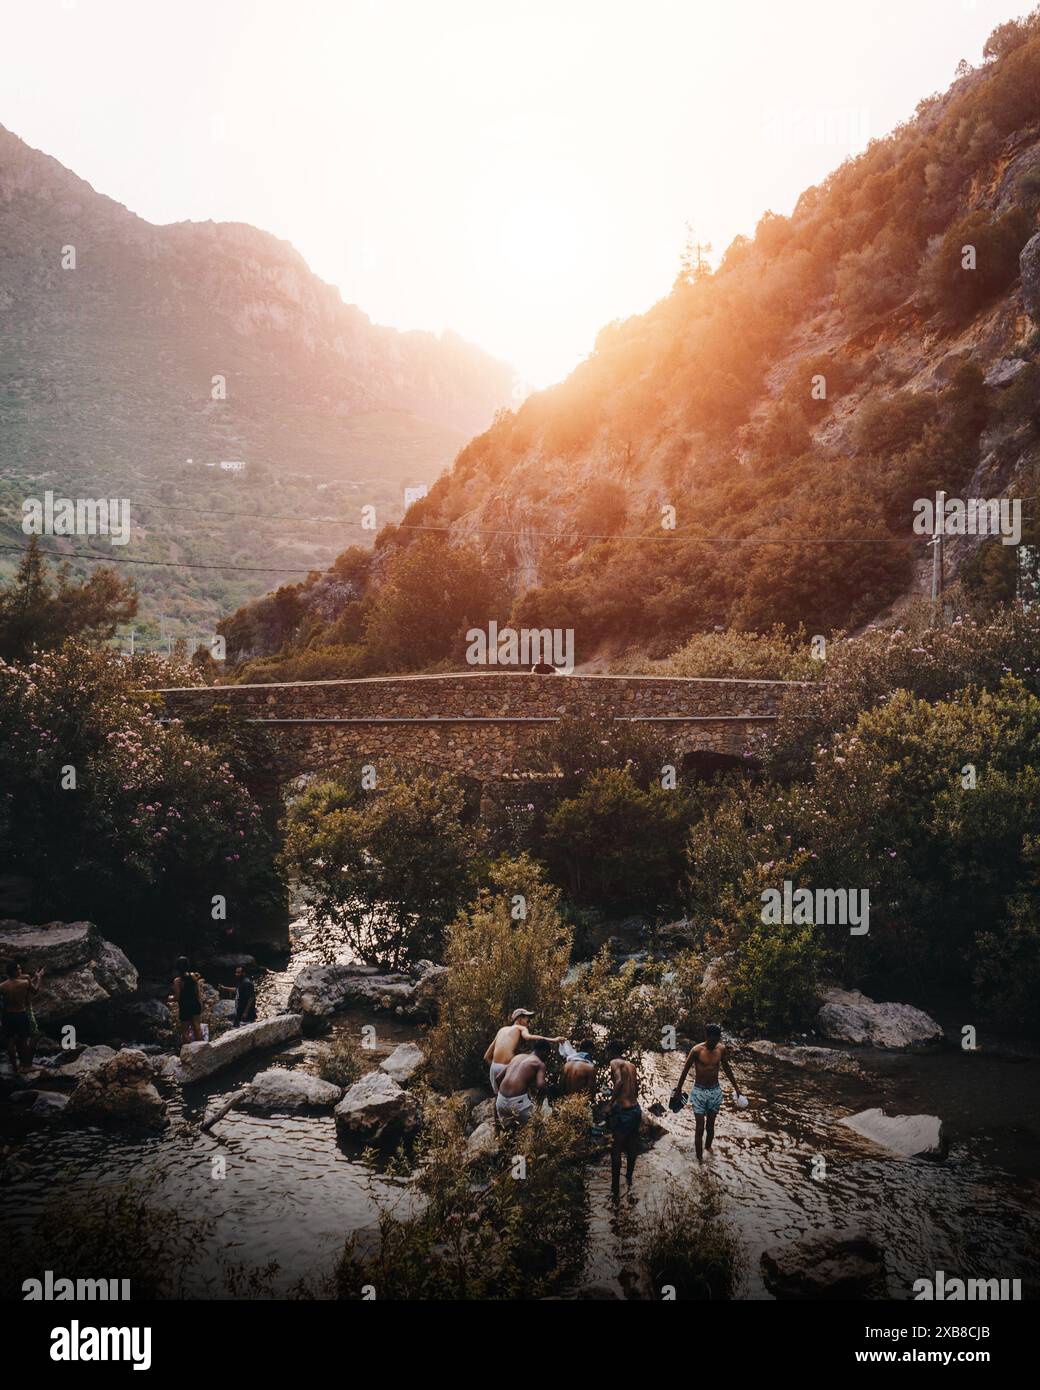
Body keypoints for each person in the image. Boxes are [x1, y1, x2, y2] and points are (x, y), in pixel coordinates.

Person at [671, 1023, 740, 1162]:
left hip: (715, 1091)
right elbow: (685, 1070)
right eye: (713, 1039)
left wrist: (737, 1088)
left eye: (717, 1040)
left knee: (710, 1126)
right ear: (707, 1037)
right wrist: (678, 1090)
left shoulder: (721, 1049)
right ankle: (699, 1160)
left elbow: (727, 1068)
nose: (715, 1043)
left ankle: (708, 1149)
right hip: (699, 1092)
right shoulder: (696, 1050)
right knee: (700, 1127)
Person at [483, 1008, 564, 1095]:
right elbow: (528, 1037)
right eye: (528, 1021)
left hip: (494, 1068)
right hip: (505, 1068)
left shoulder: (501, 1030)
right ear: (519, 1019)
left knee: (500, 1098)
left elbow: (486, 1057)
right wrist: (553, 1039)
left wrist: (496, 1068)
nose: (529, 1024)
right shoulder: (520, 1028)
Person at [606, 1040, 641, 1196]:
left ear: (611, 1051)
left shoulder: (615, 1062)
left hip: (625, 1113)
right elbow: (636, 1087)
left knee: (616, 1149)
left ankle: (614, 1189)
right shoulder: (631, 1065)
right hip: (636, 1110)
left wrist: (610, 1104)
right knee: (632, 1147)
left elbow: (619, 1082)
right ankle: (629, 1178)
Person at [495, 1039, 552, 1127]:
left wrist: (501, 1096)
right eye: (548, 1055)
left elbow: (498, 1077)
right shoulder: (539, 1064)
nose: (547, 1058)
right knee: (537, 1126)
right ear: (544, 1052)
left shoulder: (517, 1057)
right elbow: (540, 1085)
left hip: (501, 1101)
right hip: (517, 1103)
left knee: (508, 1132)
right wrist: (547, 1096)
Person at [1, 961, 43, 1073]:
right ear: (14, 971)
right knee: (24, 1040)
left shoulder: (2, 986)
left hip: (7, 1015)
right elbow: (35, 990)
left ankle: (15, 1067)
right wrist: (38, 977)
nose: (21, 971)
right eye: (19, 969)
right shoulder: (24, 983)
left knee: (10, 1040)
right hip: (20, 1014)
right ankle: (26, 1065)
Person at [172, 956, 205, 1043]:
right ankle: (202, 1050)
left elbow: (177, 997)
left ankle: (188, 1052)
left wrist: (170, 998)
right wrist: (200, 1004)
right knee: (197, 1028)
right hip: (195, 1004)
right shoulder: (194, 976)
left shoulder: (177, 981)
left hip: (185, 1006)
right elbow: (198, 992)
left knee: (185, 1031)